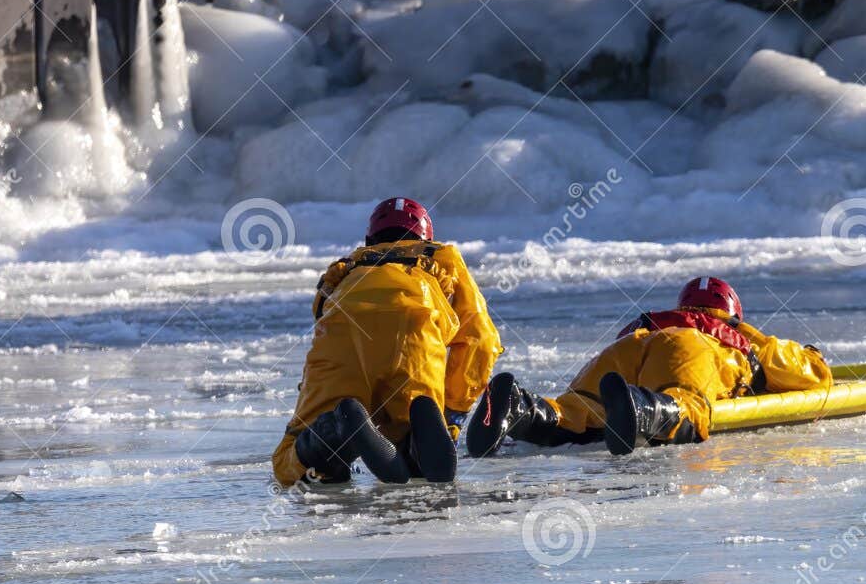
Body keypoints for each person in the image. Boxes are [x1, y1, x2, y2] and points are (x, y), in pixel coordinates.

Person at [272, 197, 502, 486]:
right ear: (426, 237)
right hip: (414, 337)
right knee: (411, 433)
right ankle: (412, 446)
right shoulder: (441, 257)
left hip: (342, 340)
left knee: (289, 461)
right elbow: (480, 339)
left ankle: (333, 435)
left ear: (370, 239)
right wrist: (452, 415)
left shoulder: (345, 268)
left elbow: (321, 321)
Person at [467, 277, 831, 458]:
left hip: (630, 347)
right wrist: (813, 358)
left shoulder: (656, 319)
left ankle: (522, 408)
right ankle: (642, 410)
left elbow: (626, 336)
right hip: (688, 351)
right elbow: (804, 372)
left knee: (580, 406)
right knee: (685, 399)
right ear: (731, 312)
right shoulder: (734, 333)